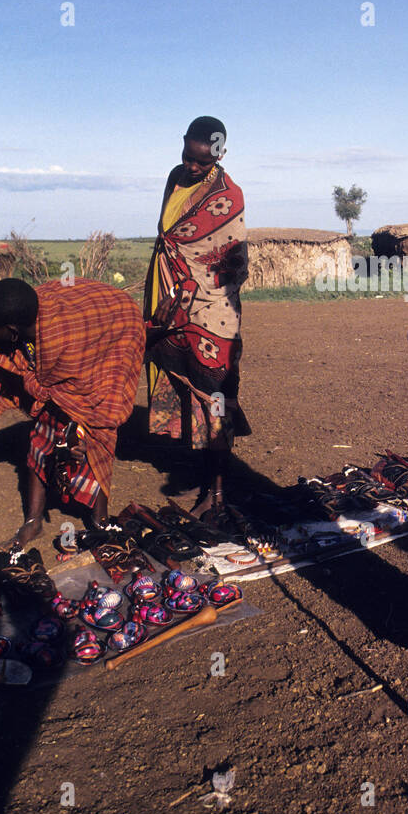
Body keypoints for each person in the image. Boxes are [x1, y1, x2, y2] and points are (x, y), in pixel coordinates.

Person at [0, 276, 145, 549]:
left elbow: (40, 385)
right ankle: (33, 521)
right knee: (40, 442)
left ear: (13, 331)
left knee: (93, 441)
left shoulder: (60, 340)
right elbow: (28, 369)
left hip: (114, 339)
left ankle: (100, 519)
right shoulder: (27, 316)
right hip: (75, 340)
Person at [144, 115, 250, 515]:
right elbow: (168, 235)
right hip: (169, 293)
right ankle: (205, 480)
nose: (191, 167)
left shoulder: (230, 195)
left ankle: (219, 492)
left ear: (219, 155)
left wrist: (186, 294)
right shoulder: (174, 176)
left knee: (217, 395)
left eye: (200, 163)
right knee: (187, 387)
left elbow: (233, 264)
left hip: (212, 307)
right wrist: (169, 294)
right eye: (187, 156)